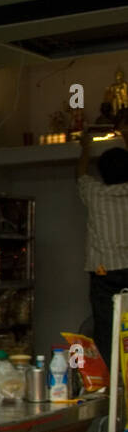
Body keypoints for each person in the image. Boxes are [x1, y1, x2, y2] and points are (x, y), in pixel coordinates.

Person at [78, 128, 128, 362]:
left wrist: (85, 148)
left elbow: (80, 173)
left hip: (104, 273)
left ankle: (109, 386)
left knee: (105, 331)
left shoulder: (94, 193)